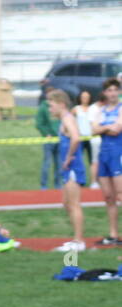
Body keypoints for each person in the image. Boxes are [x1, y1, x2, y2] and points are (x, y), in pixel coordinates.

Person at [47, 89, 86, 252]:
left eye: (52, 105)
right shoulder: (64, 120)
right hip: (68, 167)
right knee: (67, 203)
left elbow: (76, 138)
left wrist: (69, 157)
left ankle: (79, 241)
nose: (50, 109)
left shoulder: (68, 119)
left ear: (61, 104)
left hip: (72, 167)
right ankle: (76, 239)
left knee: (74, 203)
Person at [90, 78, 122, 245]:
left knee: (120, 194)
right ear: (104, 93)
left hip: (118, 154)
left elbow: (117, 130)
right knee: (109, 197)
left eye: (114, 90)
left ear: (119, 91)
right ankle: (113, 234)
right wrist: (105, 128)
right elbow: (93, 129)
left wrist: (103, 128)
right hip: (104, 155)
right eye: (109, 90)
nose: (112, 93)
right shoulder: (100, 110)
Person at [36, 86, 62, 189]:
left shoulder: (59, 107)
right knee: (47, 162)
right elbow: (39, 124)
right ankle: (44, 185)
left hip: (59, 139)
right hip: (48, 140)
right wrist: (46, 133)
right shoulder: (43, 108)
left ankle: (58, 184)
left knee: (59, 163)